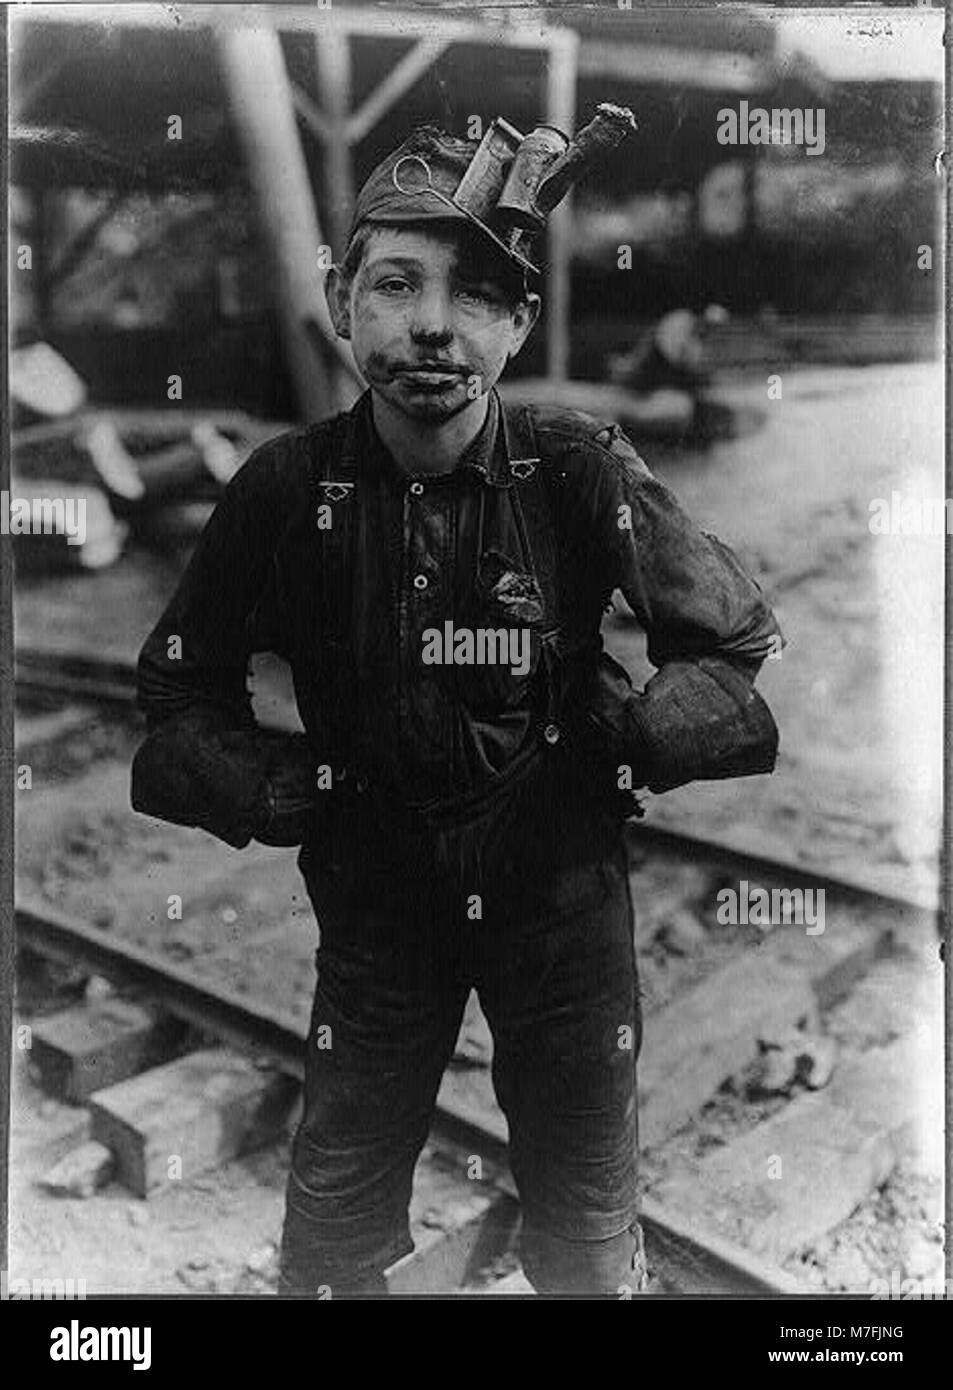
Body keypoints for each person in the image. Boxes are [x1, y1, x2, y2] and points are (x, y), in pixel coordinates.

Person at [131, 114, 781, 1297]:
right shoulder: (284, 490)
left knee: (585, 1217)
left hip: (560, 902)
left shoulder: (576, 466)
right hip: (376, 905)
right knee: (334, 1219)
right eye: (395, 284)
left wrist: (638, 732)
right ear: (338, 301)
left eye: (477, 294)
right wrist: (274, 786)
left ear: (518, 322)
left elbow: (730, 642)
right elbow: (175, 687)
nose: (432, 323)